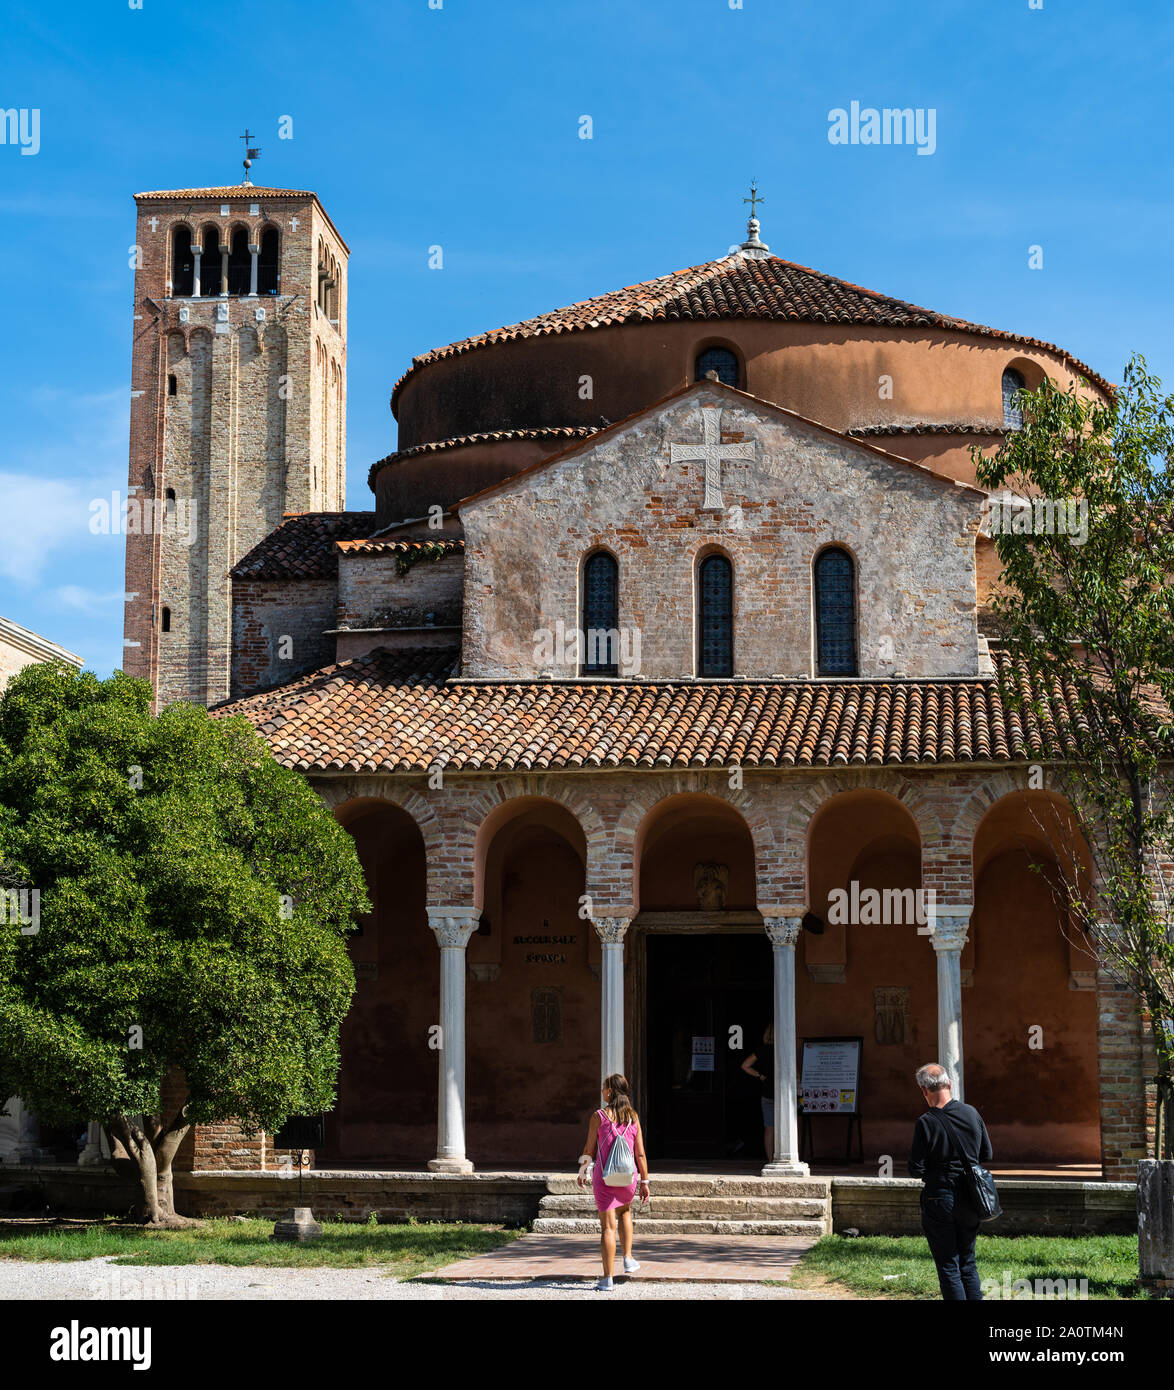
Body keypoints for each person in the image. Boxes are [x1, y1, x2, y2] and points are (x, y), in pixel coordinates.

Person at [908, 1062, 993, 1301]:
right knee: (968, 1261)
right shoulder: (972, 1113)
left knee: (948, 1265)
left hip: (939, 1197)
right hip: (971, 1196)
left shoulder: (925, 1122)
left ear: (924, 1090)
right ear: (949, 1084)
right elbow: (986, 1154)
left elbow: (916, 1169)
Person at [577, 1073, 650, 1291]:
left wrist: (582, 1171)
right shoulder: (633, 1117)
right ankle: (628, 1258)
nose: (601, 1091)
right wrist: (644, 1181)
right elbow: (640, 1154)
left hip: (605, 1177)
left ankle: (607, 1279)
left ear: (610, 1091)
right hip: (628, 1177)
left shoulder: (598, 1116)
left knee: (608, 1227)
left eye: (603, 1087)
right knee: (625, 1212)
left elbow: (589, 1149)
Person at [740, 1024, 774, 1162]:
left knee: (769, 1129)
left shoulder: (762, 1050)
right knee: (786, 1127)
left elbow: (745, 1065)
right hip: (782, 1092)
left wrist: (759, 1075)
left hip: (767, 1092)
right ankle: (784, 1158)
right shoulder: (784, 1049)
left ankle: (771, 1160)